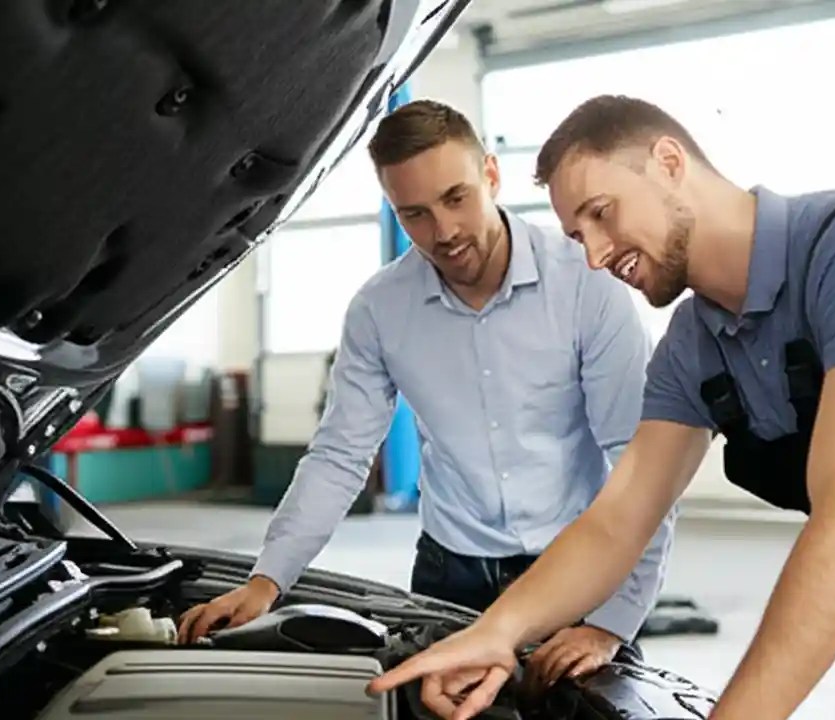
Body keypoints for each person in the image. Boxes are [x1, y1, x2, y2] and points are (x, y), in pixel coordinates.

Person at [367, 94, 835, 719]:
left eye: (601, 213)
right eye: (575, 234)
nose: (593, 255)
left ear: (669, 162)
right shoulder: (693, 347)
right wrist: (500, 630)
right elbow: (618, 520)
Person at [177, 99, 675, 685]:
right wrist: (268, 579)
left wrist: (614, 620)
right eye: (413, 214)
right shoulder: (379, 311)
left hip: (579, 568)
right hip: (449, 575)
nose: (442, 232)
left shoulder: (588, 284)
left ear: (491, 174)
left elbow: (640, 467)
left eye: (456, 198)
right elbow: (340, 456)